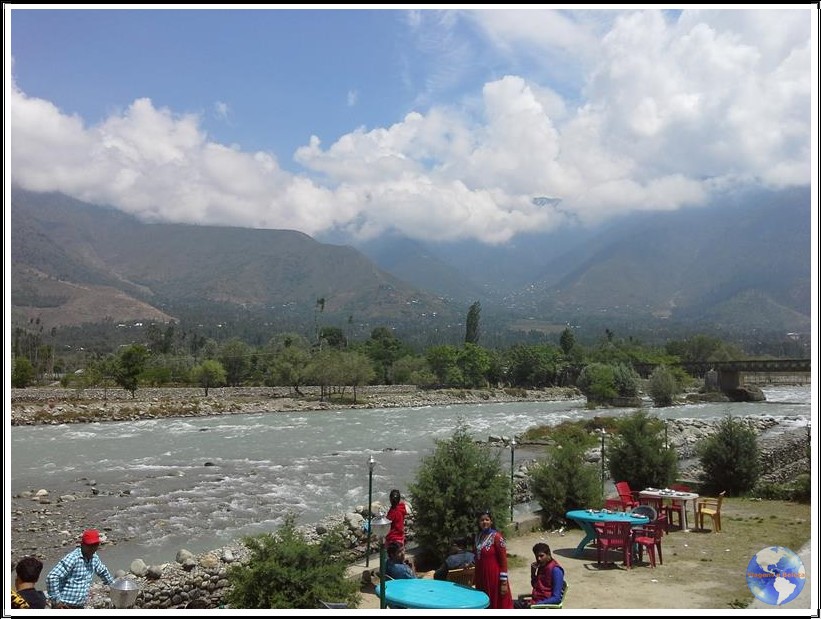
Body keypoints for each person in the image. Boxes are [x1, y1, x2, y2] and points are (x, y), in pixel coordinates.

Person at [46, 529, 115, 609]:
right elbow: (52, 577)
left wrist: (114, 586)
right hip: (65, 605)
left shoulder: (94, 557)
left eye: (94, 545)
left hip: (79, 606)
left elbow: (103, 571)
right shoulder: (73, 558)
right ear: (82, 544)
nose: (92, 549)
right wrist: (56, 601)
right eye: (89, 546)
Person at [473, 509, 513, 609]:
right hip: (481, 576)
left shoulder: (497, 537)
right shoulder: (478, 537)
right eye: (482, 520)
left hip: (494, 578)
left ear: (491, 521)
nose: (484, 522)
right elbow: (477, 556)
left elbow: (503, 561)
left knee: (497, 603)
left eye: (487, 520)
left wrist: (503, 582)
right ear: (479, 522)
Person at [513, 542, 565, 608]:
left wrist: (537, 604)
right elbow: (535, 586)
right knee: (506, 603)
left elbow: (556, 598)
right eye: (536, 556)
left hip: (542, 606)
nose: (538, 559)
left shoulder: (556, 570)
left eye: (541, 556)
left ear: (548, 554)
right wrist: (533, 573)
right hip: (535, 602)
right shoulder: (542, 566)